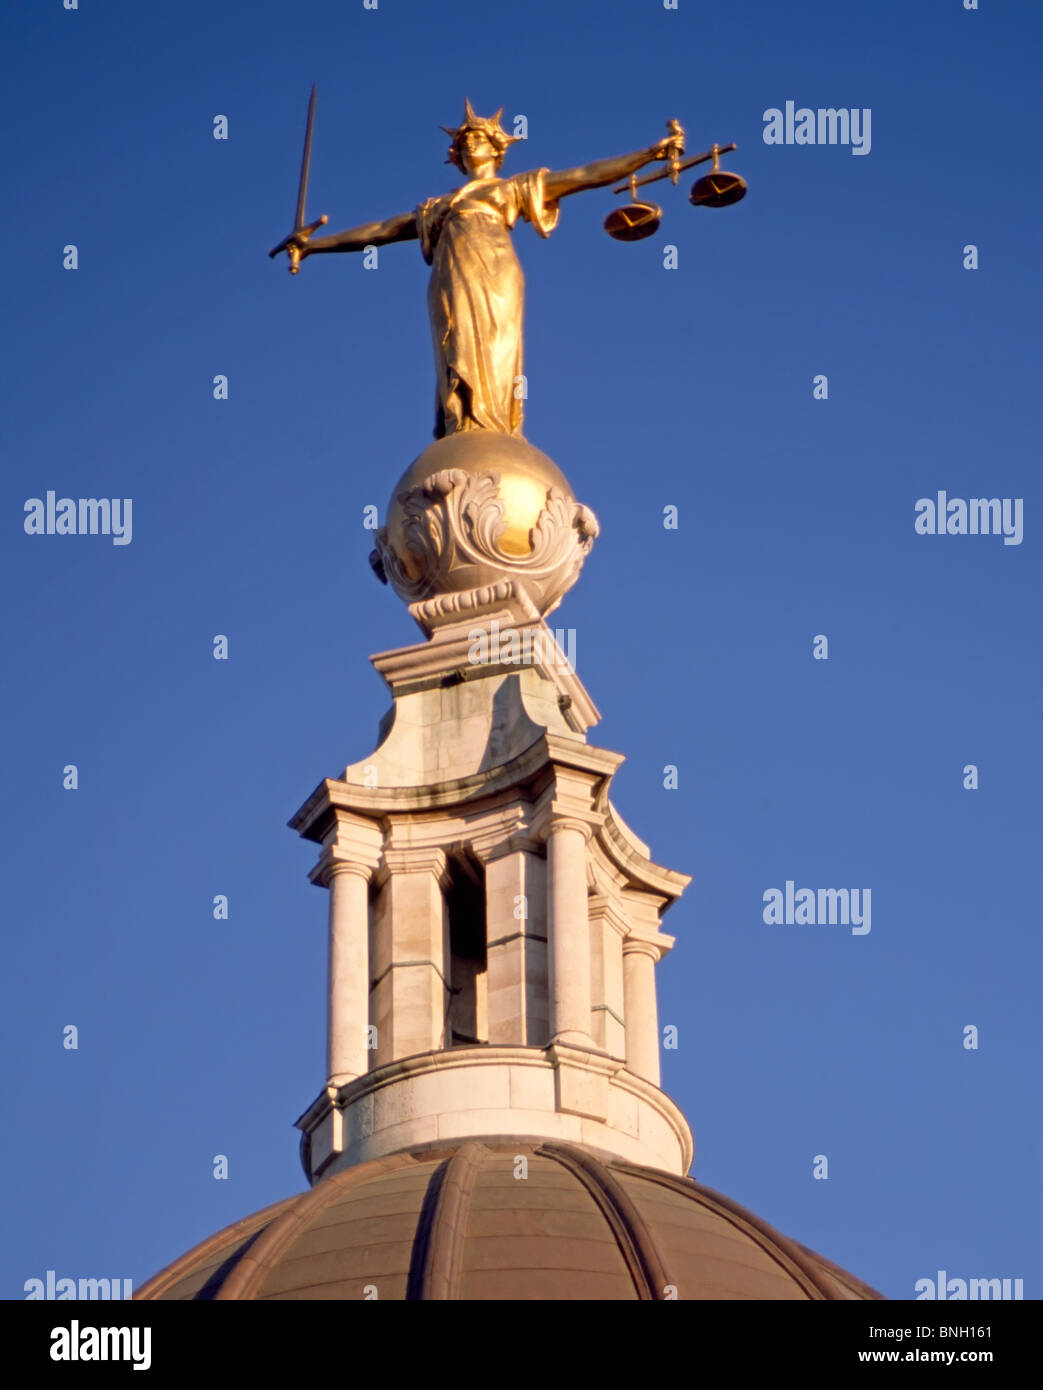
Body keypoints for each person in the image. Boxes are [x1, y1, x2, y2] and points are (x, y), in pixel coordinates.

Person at [281, 101, 684, 438]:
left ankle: (494, 427)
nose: (470, 143)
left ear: (496, 148)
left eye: (478, 138)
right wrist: (315, 245)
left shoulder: (511, 188)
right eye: (464, 141)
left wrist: (650, 153)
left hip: (495, 271)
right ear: (456, 156)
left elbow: (585, 175)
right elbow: (382, 230)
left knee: (495, 343)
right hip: (450, 276)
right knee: (454, 344)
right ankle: (462, 423)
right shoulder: (438, 207)